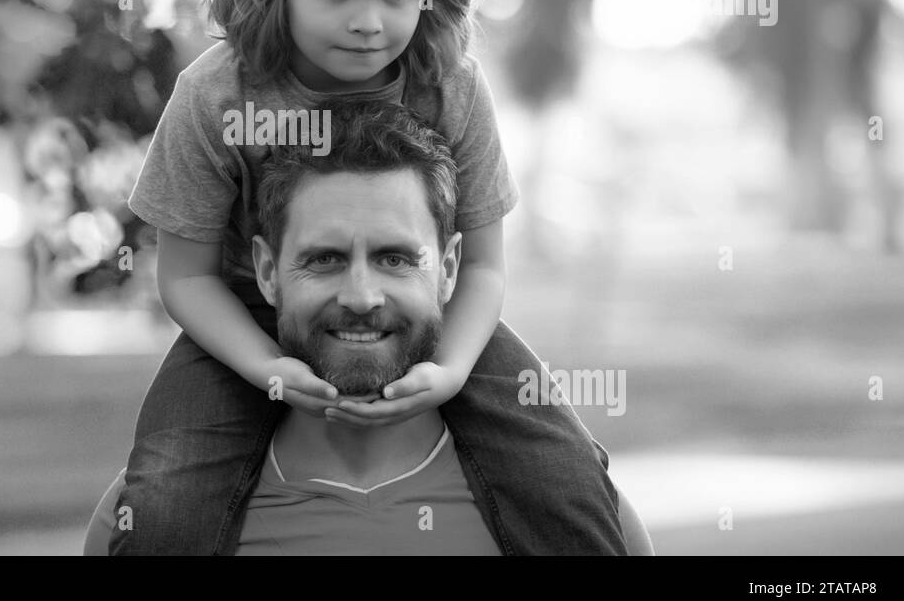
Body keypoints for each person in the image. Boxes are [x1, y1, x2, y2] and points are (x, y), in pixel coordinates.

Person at [112, 0, 626, 555]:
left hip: (426, 310)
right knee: (166, 504)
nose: (369, 21)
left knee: (563, 476)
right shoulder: (217, 95)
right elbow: (186, 277)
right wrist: (267, 369)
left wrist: (450, 369)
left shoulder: (449, 86)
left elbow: (479, 264)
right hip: (247, 315)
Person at [87, 101, 651, 554]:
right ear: (264, 271)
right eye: (325, 259)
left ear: (449, 269)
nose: (361, 297)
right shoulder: (149, 514)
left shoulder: (576, 509)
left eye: (396, 258)